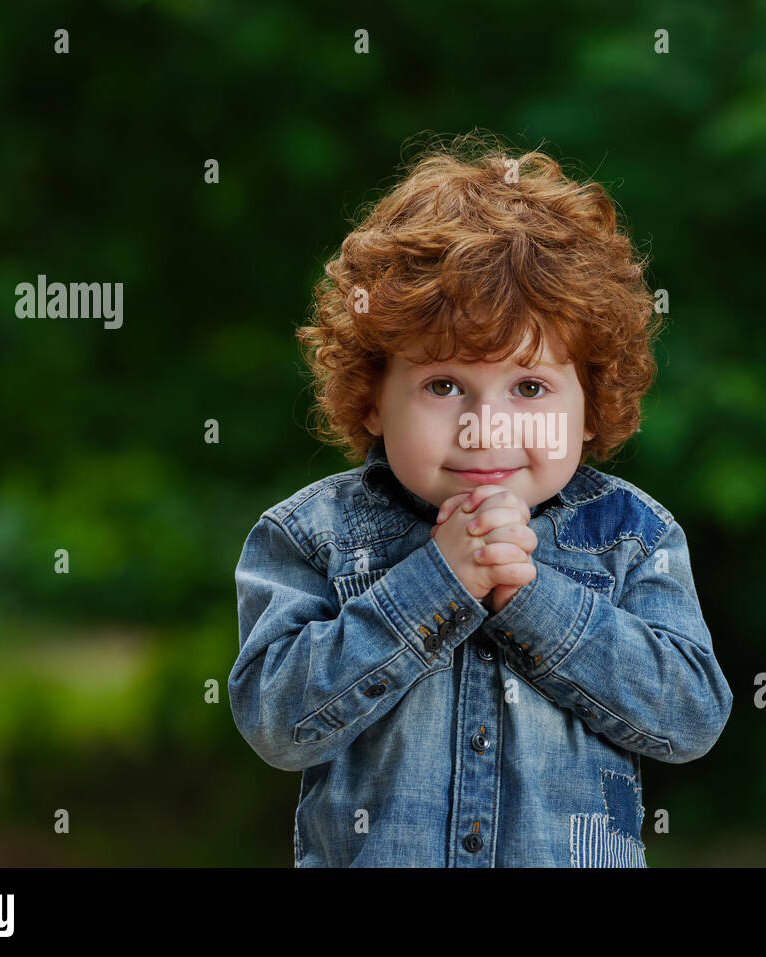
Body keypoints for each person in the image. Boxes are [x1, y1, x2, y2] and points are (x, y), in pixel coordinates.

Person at [229, 131, 733, 866]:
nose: (485, 425)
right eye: (443, 385)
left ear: (589, 406)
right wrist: (436, 583)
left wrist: (531, 598)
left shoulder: (632, 536)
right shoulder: (313, 536)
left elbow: (688, 717)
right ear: (372, 399)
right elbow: (277, 722)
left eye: (529, 387)